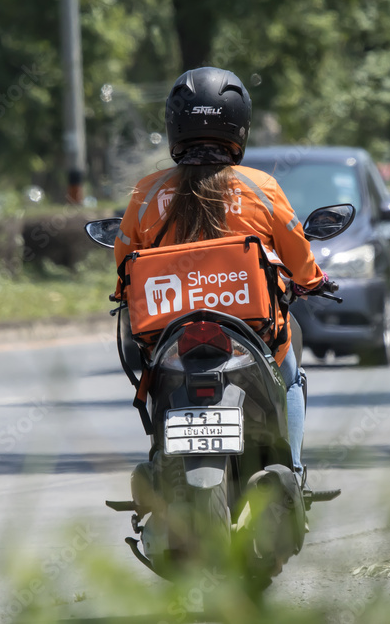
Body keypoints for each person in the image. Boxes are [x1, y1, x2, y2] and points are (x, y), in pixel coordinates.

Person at [114, 66, 335, 482]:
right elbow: (298, 255)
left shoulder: (146, 194)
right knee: (290, 379)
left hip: (170, 337)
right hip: (251, 334)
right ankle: (295, 469)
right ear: (240, 127)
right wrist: (312, 281)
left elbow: (125, 263)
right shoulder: (261, 188)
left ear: (174, 126)